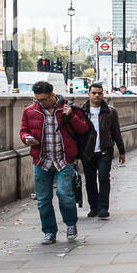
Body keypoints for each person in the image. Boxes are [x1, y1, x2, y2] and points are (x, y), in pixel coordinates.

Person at [19, 80, 92, 243]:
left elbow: (84, 129)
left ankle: (71, 225)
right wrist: (27, 138)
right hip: (41, 161)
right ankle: (49, 231)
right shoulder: (29, 111)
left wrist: (71, 116)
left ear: (52, 95)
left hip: (63, 160)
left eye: (43, 99)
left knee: (64, 194)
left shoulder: (69, 108)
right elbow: (23, 131)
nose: (40, 102)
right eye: (37, 99)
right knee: (43, 199)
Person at [80, 82, 126, 219]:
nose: (97, 95)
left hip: (105, 150)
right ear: (89, 94)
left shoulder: (110, 111)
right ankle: (93, 206)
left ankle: (103, 207)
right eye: (94, 93)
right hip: (87, 152)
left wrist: (122, 151)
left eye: (99, 93)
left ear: (103, 94)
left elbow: (116, 132)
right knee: (90, 180)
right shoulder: (82, 112)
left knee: (104, 177)